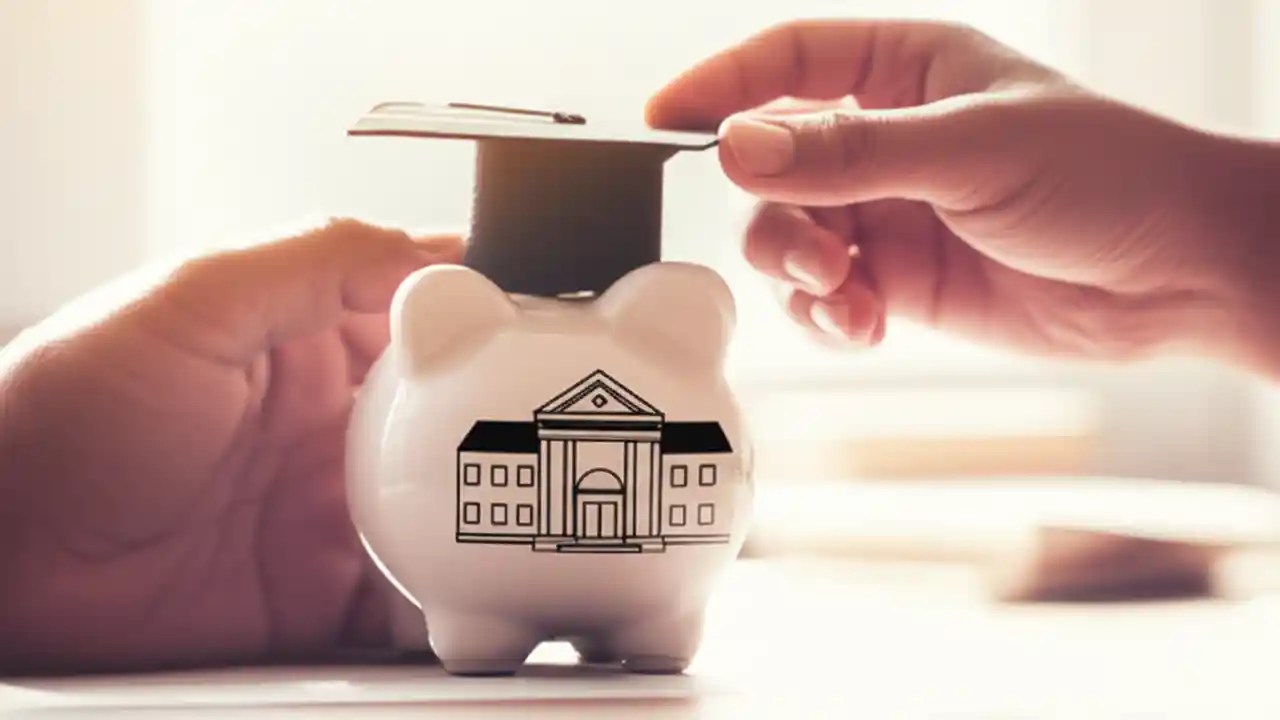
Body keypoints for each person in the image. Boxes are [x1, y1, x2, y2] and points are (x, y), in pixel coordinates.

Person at [1, 19, 1276, 673]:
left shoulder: (665, 330)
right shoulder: (441, 334)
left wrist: (1219, 255)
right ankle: (500, 609)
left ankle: (648, 608)